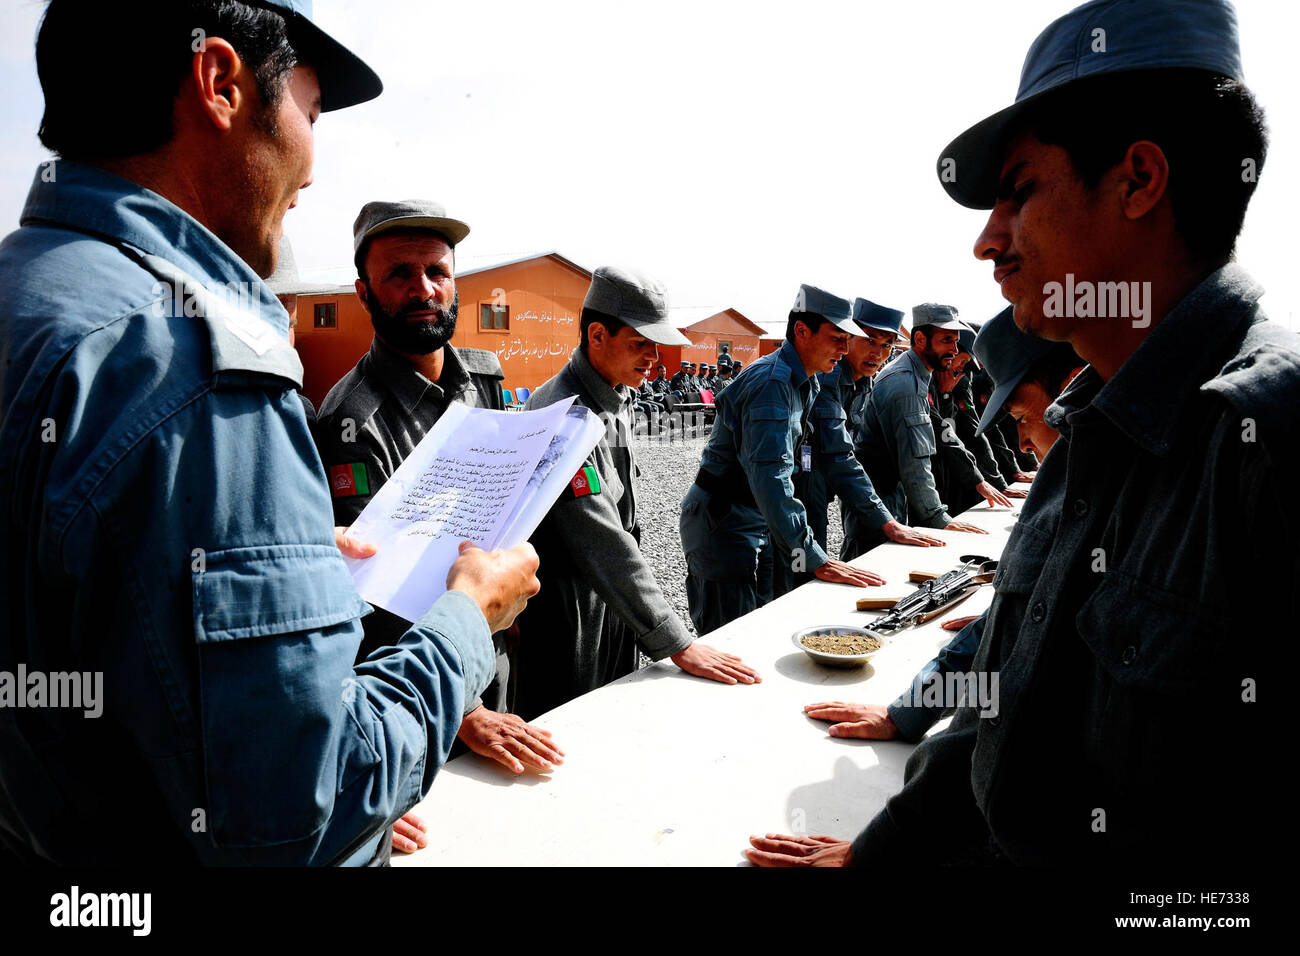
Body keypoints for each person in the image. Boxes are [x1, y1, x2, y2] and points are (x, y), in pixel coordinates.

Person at [0, 0, 540, 866]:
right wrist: (469, 620)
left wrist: (264, 561)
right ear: (219, 83)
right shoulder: (192, 366)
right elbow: (305, 806)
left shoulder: (30, 297)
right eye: (311, 112)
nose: (313, 169)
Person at [748, 0, 1287, 867]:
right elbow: (1010, 702)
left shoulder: (1269, 437)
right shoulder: (1090, 433)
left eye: (1020, 191)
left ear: (1139, 180)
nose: (987, 245)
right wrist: (879, 854)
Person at [313, 200, 562, 782]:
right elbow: (370, 590)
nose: (423, 289)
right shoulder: (352, 419)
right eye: (400, 273)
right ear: (364, 293)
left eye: (437, 272)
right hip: (421, 686)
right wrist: (464, 711)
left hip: (498, 644)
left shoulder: (484, 378)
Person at [804, 309, 1082, 745]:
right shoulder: (903, 382)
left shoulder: (1096, 481)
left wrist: (1008, 611)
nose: (1025, 443)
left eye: (1024, 417)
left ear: (1068, 390)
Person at [516, 267, 759, 719]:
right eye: (640, 343)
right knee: (570, 734)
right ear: (597, 335)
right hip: (571, 617)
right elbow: (602, 541)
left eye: (656, 344)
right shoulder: (566, 417)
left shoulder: (613, 395)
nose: (654, 357)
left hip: (614, 606)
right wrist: (676, 640)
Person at [680, 285, 944, 635]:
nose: (844, 348)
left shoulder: (805, 380)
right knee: (730, 637)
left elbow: (837, 457)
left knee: (765, 624)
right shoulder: (772, 383)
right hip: (726, 521)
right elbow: (771, 477)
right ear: (801, 331)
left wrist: (882, 523)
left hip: (756, 517)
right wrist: (814, 555)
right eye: (836, 337)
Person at [853, 303, 1006, 556]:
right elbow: (916, 461)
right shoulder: (906, 384)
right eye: (947, 340)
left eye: (956, 342)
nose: (954, 350)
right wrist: (939, 519)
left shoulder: (916, 374)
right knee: (871, 562)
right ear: (921, 339)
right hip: (878, 498)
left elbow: (947, 433)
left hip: (890, 493)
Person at [793, 297, 908, 554]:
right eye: (870, 340)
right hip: (805, 471)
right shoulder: (829, 376)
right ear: (848, 337)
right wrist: (886, 520)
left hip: (826, 473)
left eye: (887, 345)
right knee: (805, 558)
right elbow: (837, 451)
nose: (877, 354)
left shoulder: (865, 381)